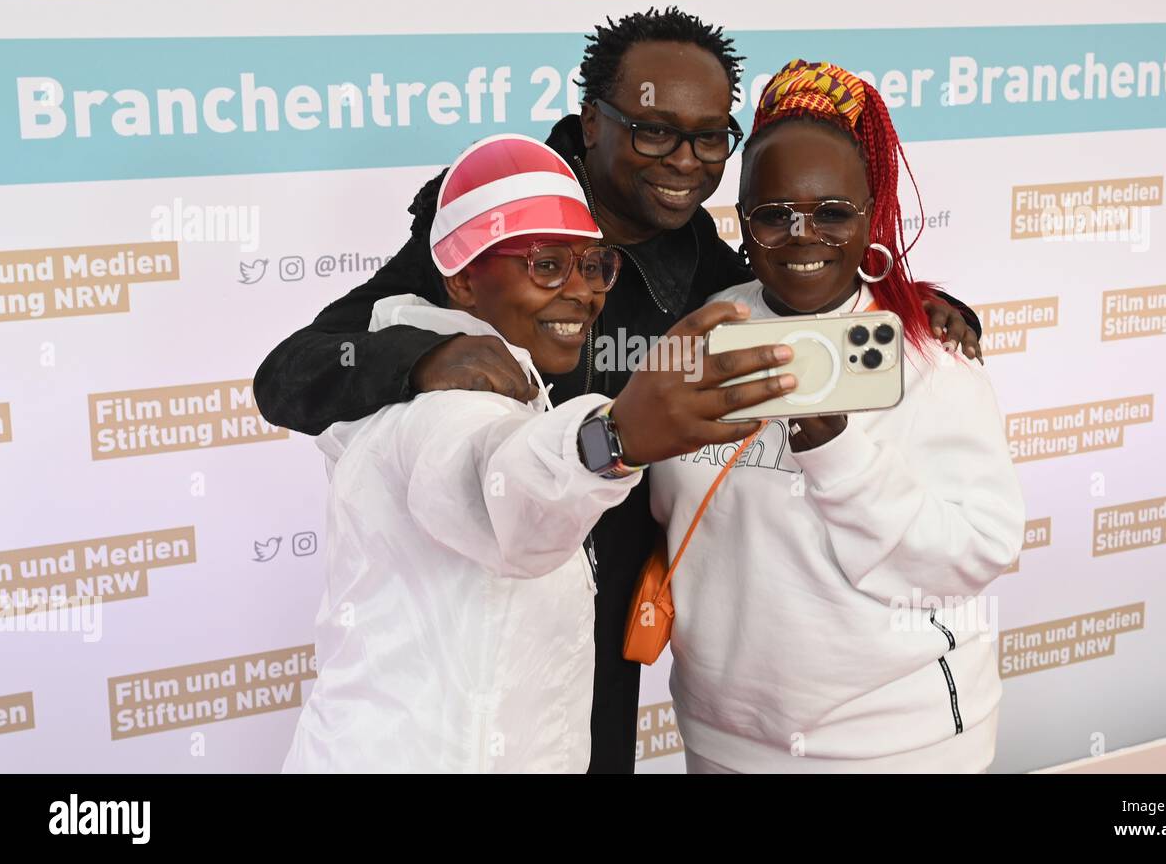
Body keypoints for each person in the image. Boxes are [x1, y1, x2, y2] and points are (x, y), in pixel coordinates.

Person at [255, 8, 985, 773]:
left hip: (605, 602)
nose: (686, 162)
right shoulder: (498, 210)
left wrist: (903, 301)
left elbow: (794, 290)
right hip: (467, 599)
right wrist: (419, 358)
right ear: (590, 122)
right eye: (654, 131)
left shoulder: (706, 262)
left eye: (710, 137)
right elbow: (291, 373)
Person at [281, 134, 794, 772]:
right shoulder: (436, 409)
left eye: (592, 265)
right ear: (464, 280)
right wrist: (617, 438)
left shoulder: (507, 378)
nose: (583, 292)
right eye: (546, 265)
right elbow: (498, 485)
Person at [649, 60, 1025, 773]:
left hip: (899, 744)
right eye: (772, 213)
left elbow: (982, 549)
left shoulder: (929, 354)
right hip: (724, 740)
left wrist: (841, 455)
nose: (802, 235)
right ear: (743, 221)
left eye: (832, 212)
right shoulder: (702, 335)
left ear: (870, 213)